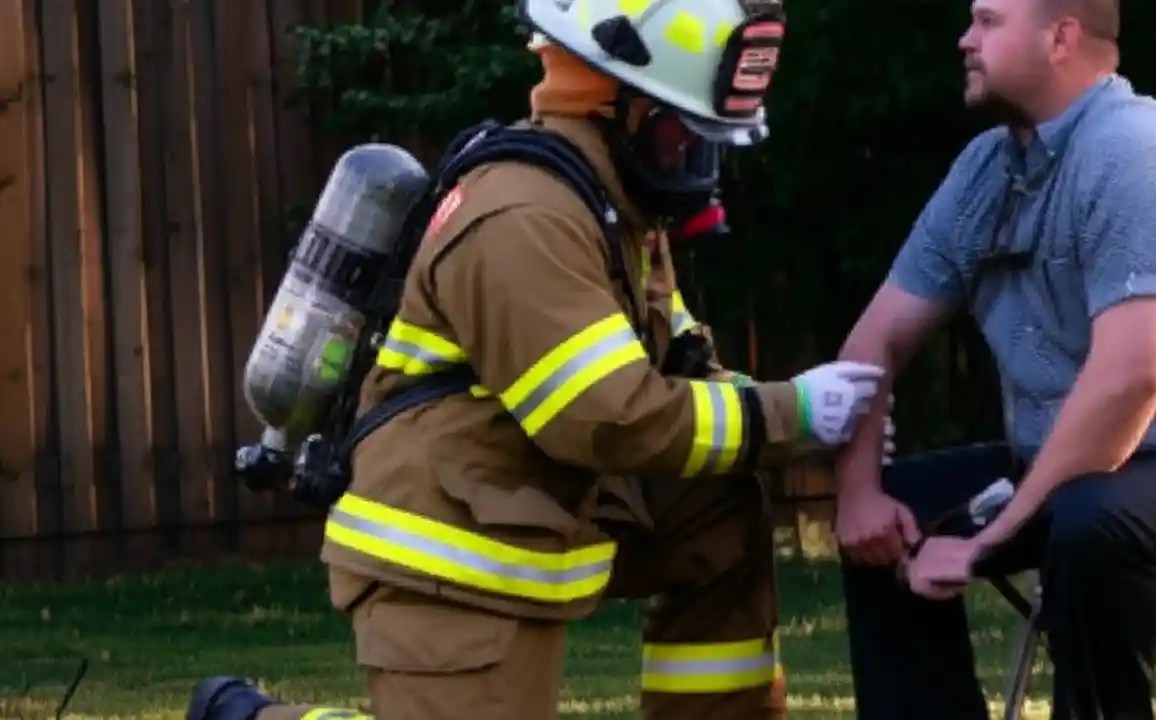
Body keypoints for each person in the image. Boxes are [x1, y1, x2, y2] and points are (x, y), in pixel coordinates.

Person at [185, 0, 888, 718]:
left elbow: (679, 370)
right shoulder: (525, 219)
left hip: (534, 502)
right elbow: (609, 417)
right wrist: (794, 413)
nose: (692, 158)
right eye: (681, 132)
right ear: (614, 103)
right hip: (448, 555)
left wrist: (803, 421)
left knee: (717, 496)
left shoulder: (614, 210)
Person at [832, 0, 1156, 718]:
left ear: (1061, 37)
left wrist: (990, 540)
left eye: (988, 21)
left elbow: (1132, 379)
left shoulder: (1136, 155)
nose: (965, 39)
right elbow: (874, 343)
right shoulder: (986, 171)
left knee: (1091, 521)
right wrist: (859, 496)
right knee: (897, 515)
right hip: (1070, 472)